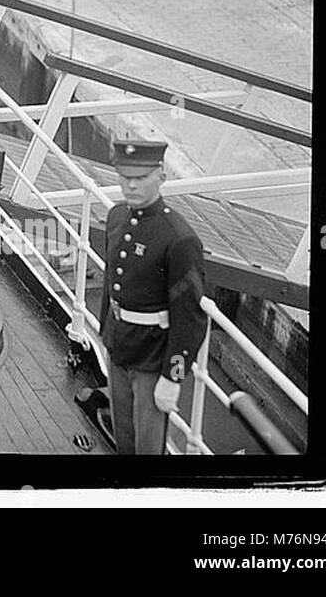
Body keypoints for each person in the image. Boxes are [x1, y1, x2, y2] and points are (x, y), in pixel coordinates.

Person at [98, 139, 206, 455]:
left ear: (161, 176)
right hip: (119, 345)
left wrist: (173, 376)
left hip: (152, 356)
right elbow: (111, 282)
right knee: (124, 439)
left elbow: (190, 315)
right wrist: (107, 333)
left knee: (147, 448)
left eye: (141, 178)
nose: (131, 185)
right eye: (125, 176)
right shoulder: (117, 217)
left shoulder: (179, 238)